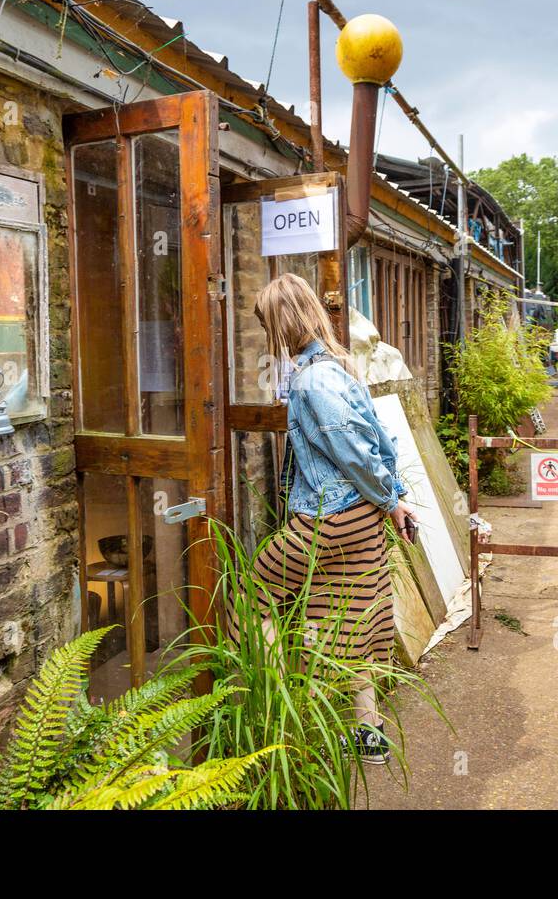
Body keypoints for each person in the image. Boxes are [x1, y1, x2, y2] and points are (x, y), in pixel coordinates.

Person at [241, 272, 416, 764]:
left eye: (265, 325)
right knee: (343, 618)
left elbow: (356, 452)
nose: (263, 335)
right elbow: (380, 440)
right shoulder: (334, 367)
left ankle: (280, 714)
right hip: (359, 518)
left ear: (281, 323)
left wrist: (388, 498)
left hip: (329, 518)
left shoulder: (314, 379)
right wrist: (394, 500)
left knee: (252, 596)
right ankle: (369, 733)